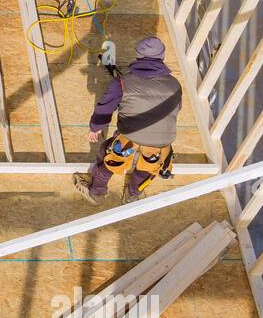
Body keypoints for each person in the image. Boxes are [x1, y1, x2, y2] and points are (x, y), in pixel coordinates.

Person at [74, 36, 182, 205]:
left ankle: (96, 192)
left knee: (107, 155)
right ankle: (132, 196)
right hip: (162, 143)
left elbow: (105, 108)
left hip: (129, 138)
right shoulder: (175, 85)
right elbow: (176, 109)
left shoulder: (123, 82)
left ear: (138, 56)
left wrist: (95, 128)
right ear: (162, 57)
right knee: (148, 166)